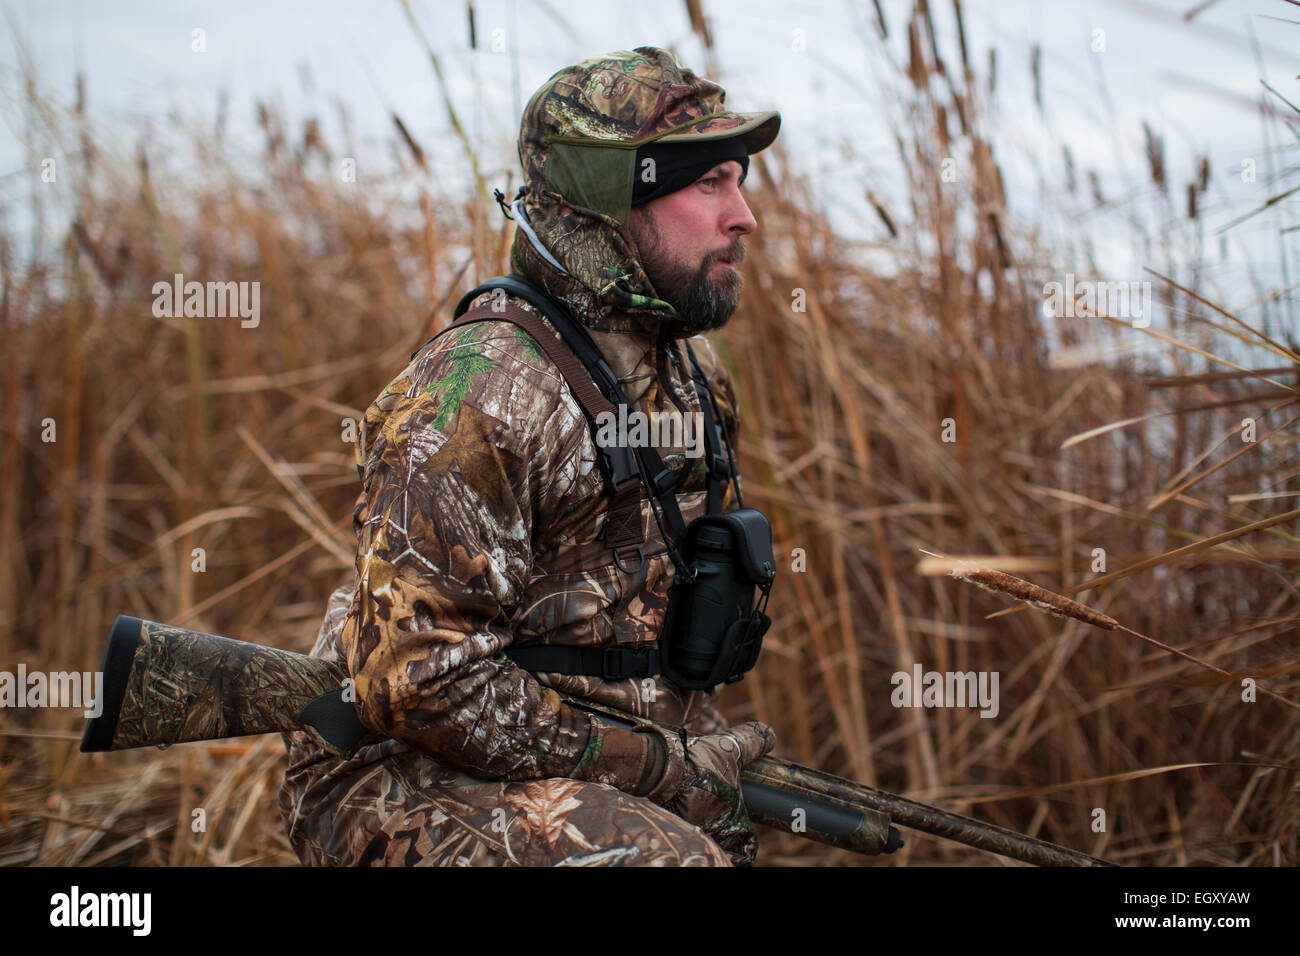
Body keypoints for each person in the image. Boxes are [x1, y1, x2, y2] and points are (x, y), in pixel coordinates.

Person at [278, 46, 781, 867]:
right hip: (406, 776)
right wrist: (657, 768)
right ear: (607, 204)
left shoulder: (693, 378)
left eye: (740, 179)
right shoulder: (475, 393)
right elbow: (420, 684)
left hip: (586, 762)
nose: (744, 216)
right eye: (709, 184)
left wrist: (693, 758)